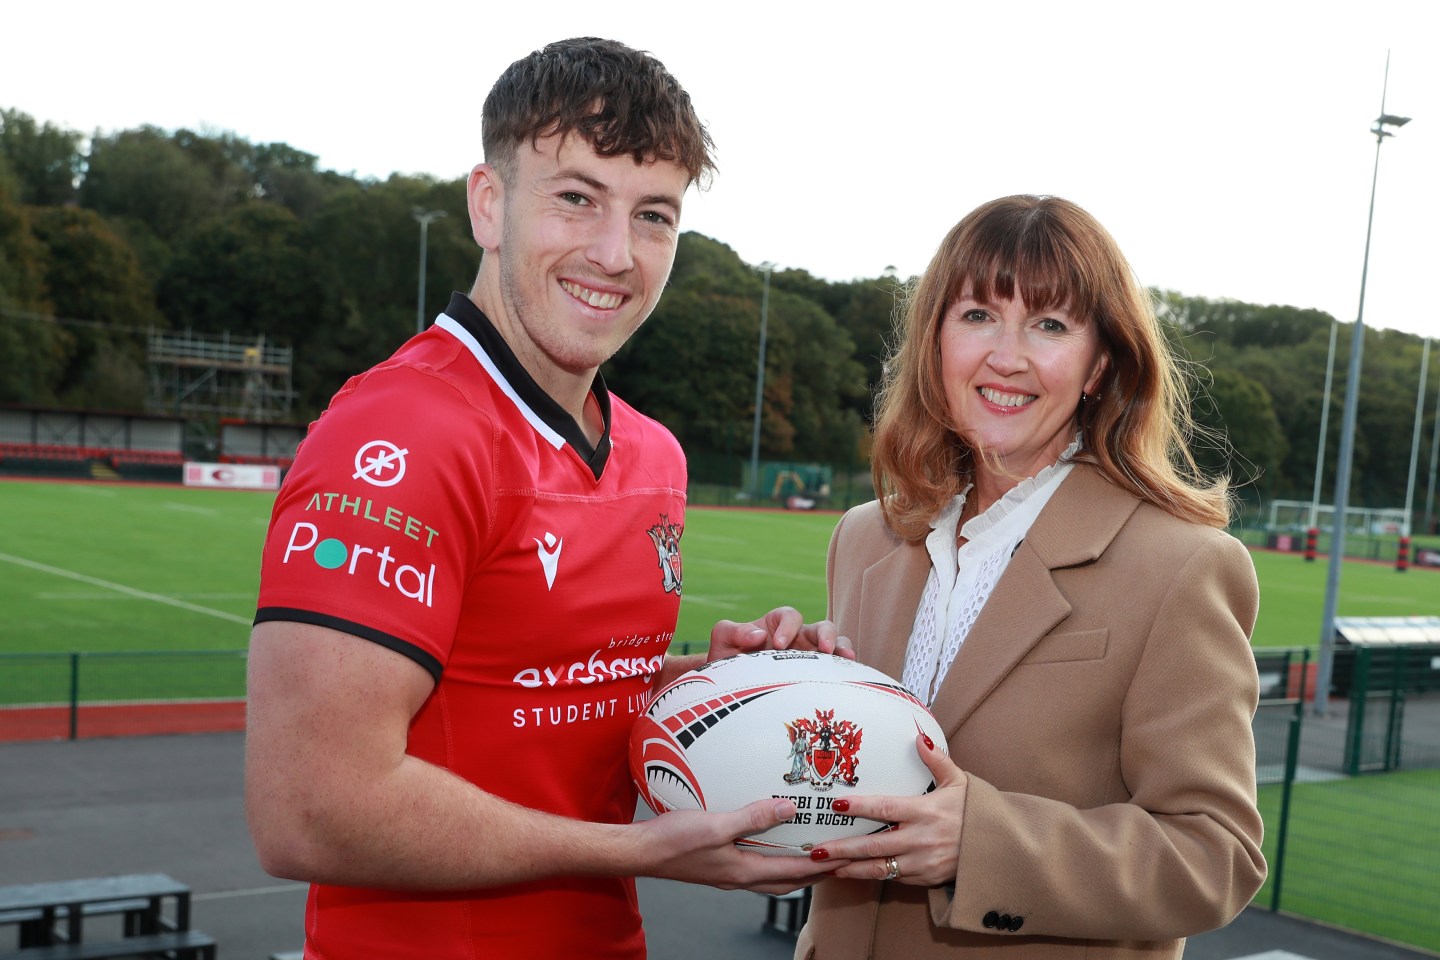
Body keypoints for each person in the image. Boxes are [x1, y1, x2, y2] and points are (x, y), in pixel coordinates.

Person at [244, 37, 846, 960]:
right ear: (489, 204)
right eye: (576, 198)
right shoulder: (398, 431)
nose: (615, 253)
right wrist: (643, 851)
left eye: (653, 215)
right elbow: (309, 809)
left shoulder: (653, 453)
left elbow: (539, 700)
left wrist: (717, 688)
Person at [795, 195, 1266, 959]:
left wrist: (982, 845)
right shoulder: (863, 537)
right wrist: (772, 699)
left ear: (1100, 364)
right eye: (978, 315)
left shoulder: (1183, 566)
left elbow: (1214, 855)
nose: (1005, 356)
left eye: (1049, 325)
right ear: (935, 340)